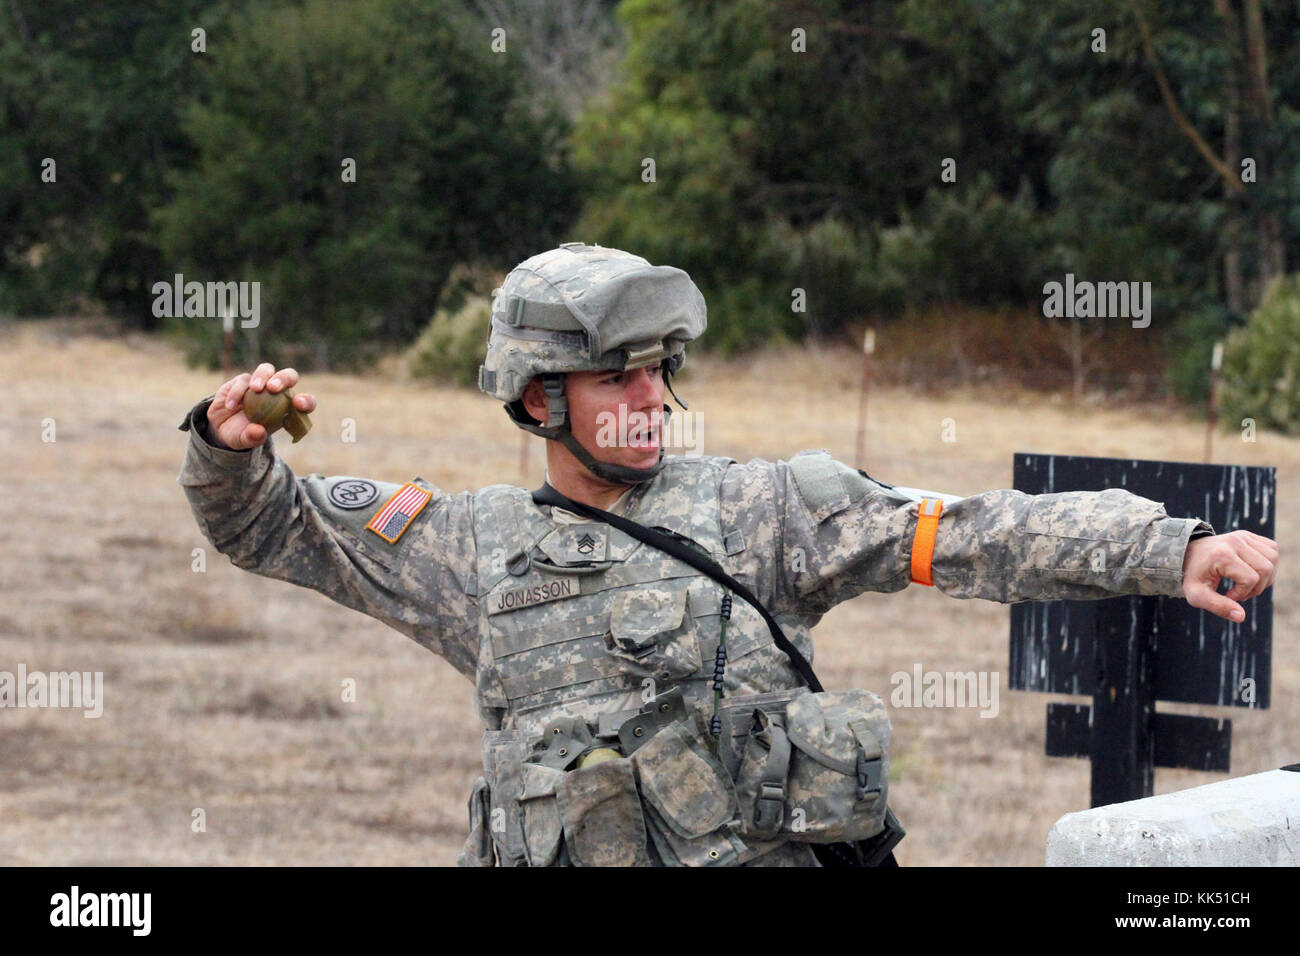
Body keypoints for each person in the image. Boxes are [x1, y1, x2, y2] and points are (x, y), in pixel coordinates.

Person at [177, 242, 1279, 866]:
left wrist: (1159, 546)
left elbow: (961, 529)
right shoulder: (472, 549)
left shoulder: (762, 510)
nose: (652, 397)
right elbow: (274, 526)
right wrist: (228, 453)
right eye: (618, 376)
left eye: (660, 369)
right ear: (536, 398)